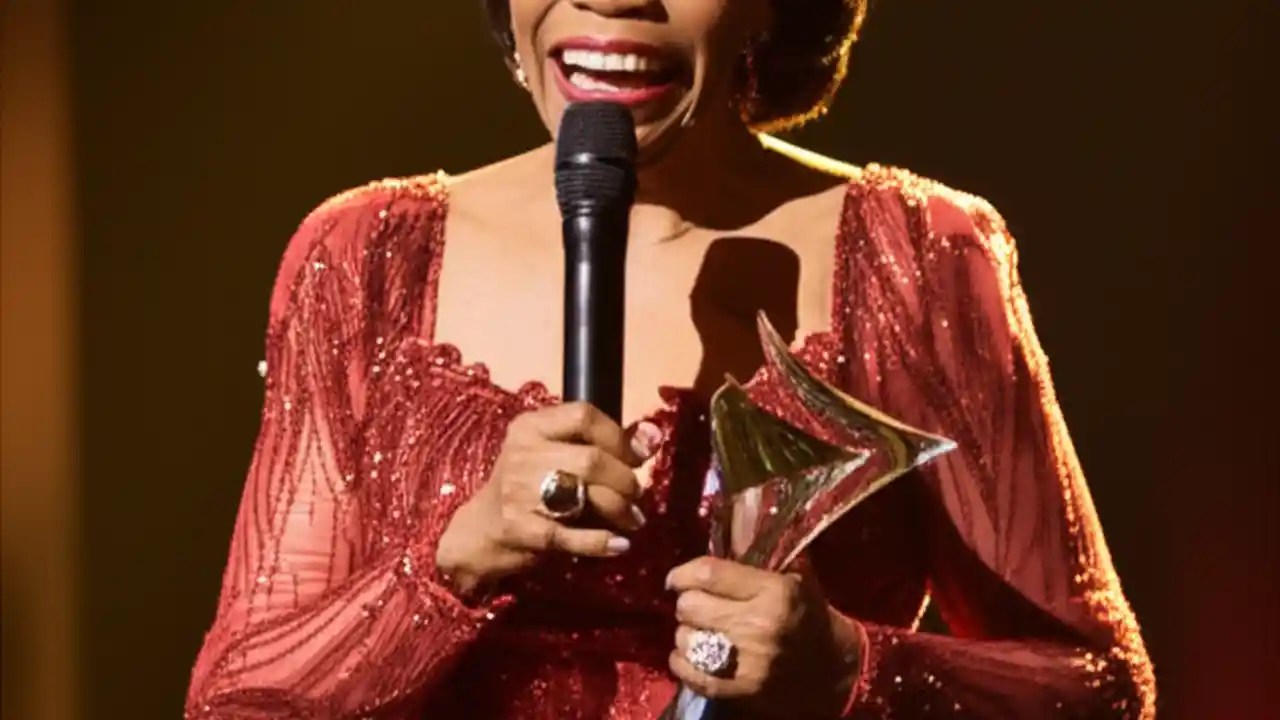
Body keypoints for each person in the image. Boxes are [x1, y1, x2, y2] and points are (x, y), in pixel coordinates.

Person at [185, 1, 1156, 718]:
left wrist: (848, 669)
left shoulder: (915, 253)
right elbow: (239, 701)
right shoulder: (368, 254)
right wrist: (454, 562)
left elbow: (1098, 691)